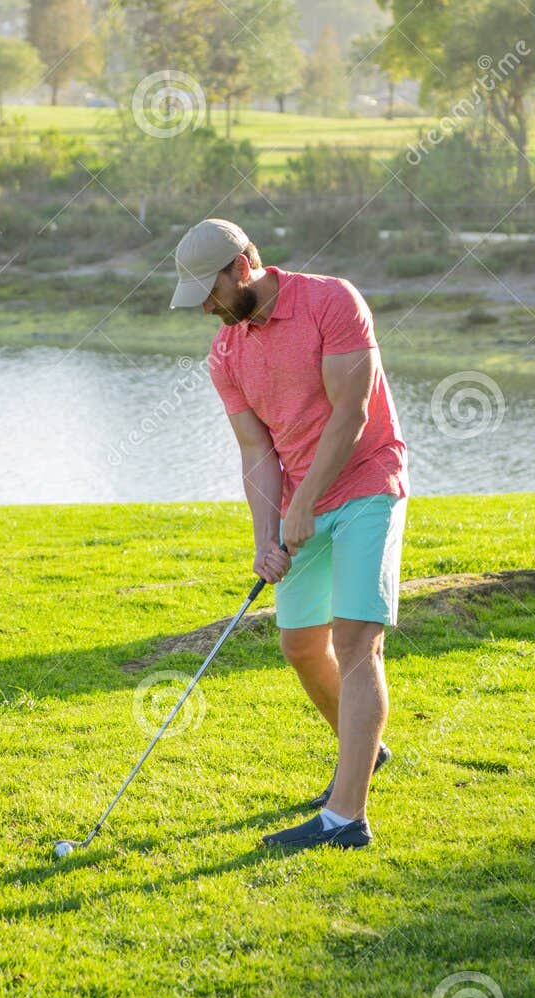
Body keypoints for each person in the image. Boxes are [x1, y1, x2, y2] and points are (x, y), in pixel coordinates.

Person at [170, 218, 409, 850]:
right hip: (302, 502)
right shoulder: (226, 351)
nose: (209, 310)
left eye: (212, 293)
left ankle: (345, 818)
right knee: (303, 647)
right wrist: (267, 537)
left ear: (242, 268)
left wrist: (303, 505)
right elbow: (256, 451)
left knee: (356, 643)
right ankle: (367, 751)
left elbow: (352, 412)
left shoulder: (331, 301)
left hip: (365, 483)